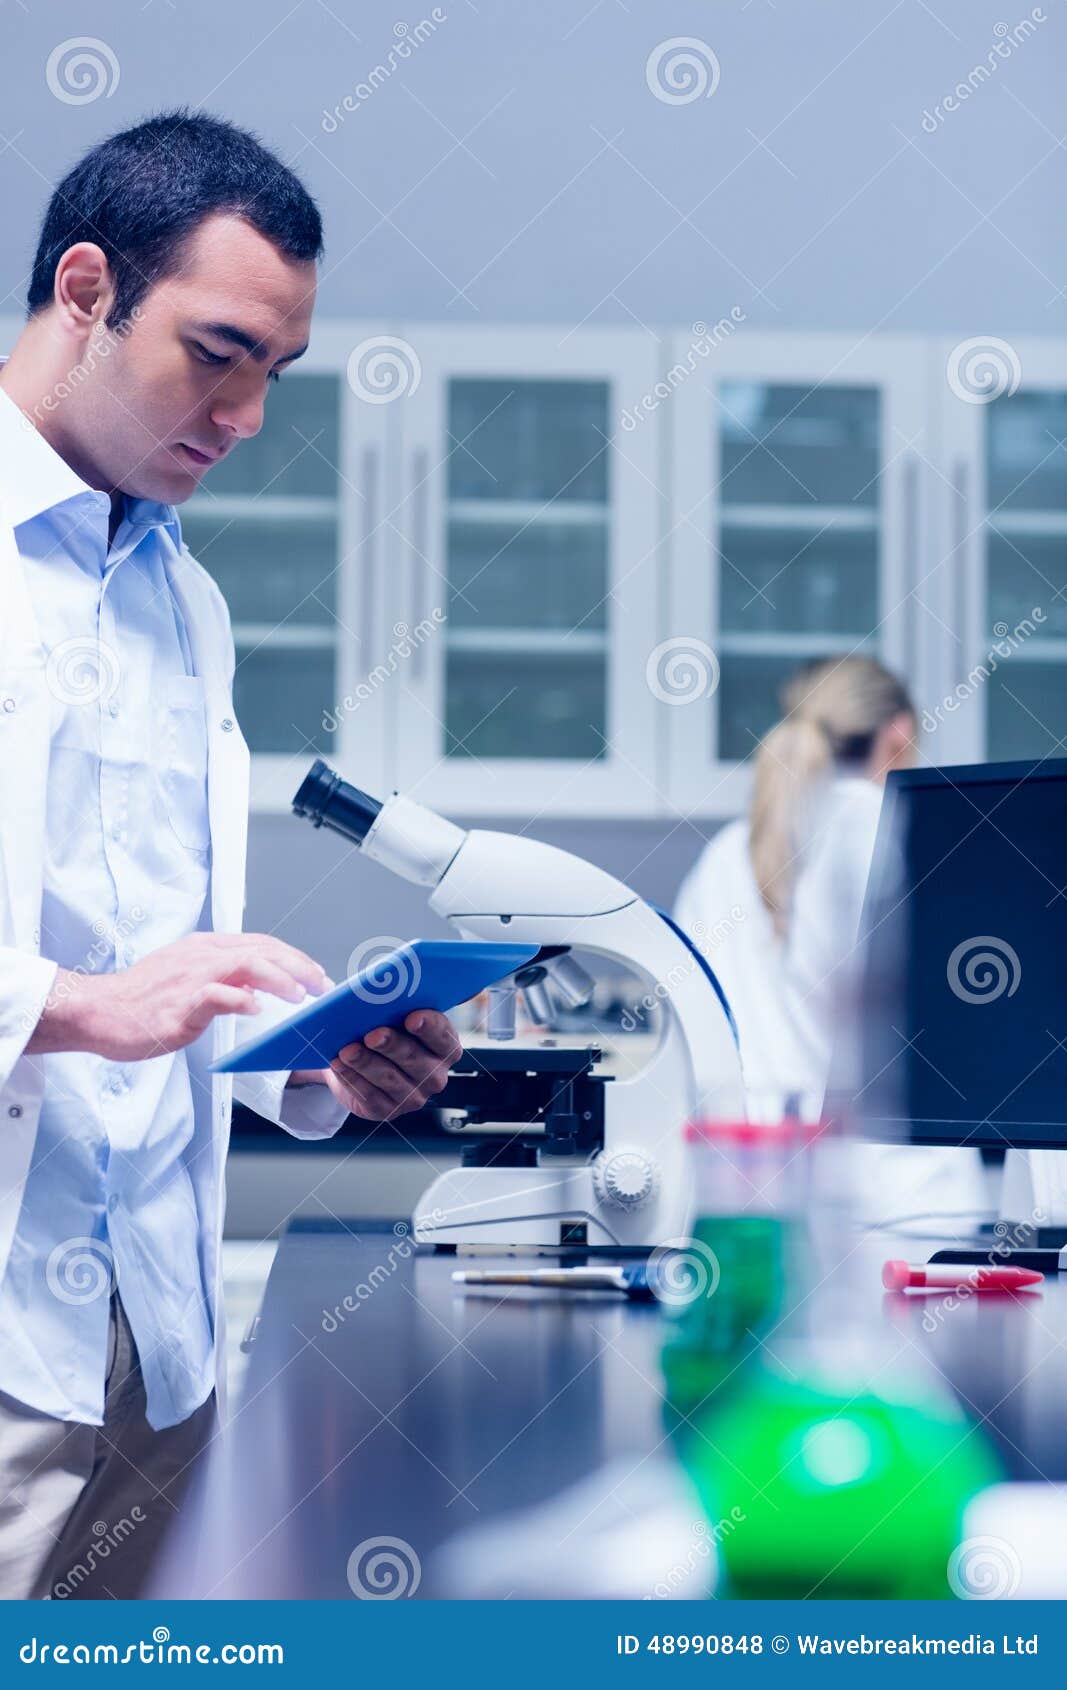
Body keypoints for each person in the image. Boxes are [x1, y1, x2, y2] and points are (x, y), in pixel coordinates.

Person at [0, 110, 463, 1600]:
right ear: (85, 291)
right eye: (216, 352)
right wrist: (72, 1004)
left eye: (276, 371)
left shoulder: (181, 602)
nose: (248, 412)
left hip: (160, 1346)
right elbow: (106, 992)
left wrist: (311, 1055)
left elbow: (162, 953)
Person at [676, 655, 917, 1108]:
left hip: (739, 1152)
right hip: (867, 1159)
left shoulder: (723, 853)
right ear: (899, 736)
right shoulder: (894, 835)